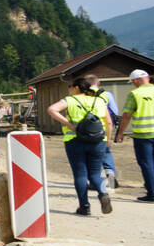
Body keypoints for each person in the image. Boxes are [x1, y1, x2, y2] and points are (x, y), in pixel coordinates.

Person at [48, 75, 113, 215]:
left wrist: (69, 124)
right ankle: (103, 193)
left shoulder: (70, 100)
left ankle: (84, 206)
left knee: (80, 174)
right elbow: (108, 122)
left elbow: (52, 109)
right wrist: (108, 139)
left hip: (75, 140)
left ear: (76, 88)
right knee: (95, 173)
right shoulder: (99, 101)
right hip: (98, 141)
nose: (69, 89)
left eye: (70, 86)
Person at [119, 69, 154, 202]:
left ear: (136, 80)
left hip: (143, 134)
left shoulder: (135, 94)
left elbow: (126, 115)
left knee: (147, 163)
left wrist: (120, 132)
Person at [86, 74, 122, 189]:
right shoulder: (107, 95)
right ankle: (111, 180)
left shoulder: (83, 95)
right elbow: (115, 112)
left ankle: (94, 182)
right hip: (104, 128)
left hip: (88, 129)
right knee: (106, 153)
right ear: (98, 83)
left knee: (91, 156)